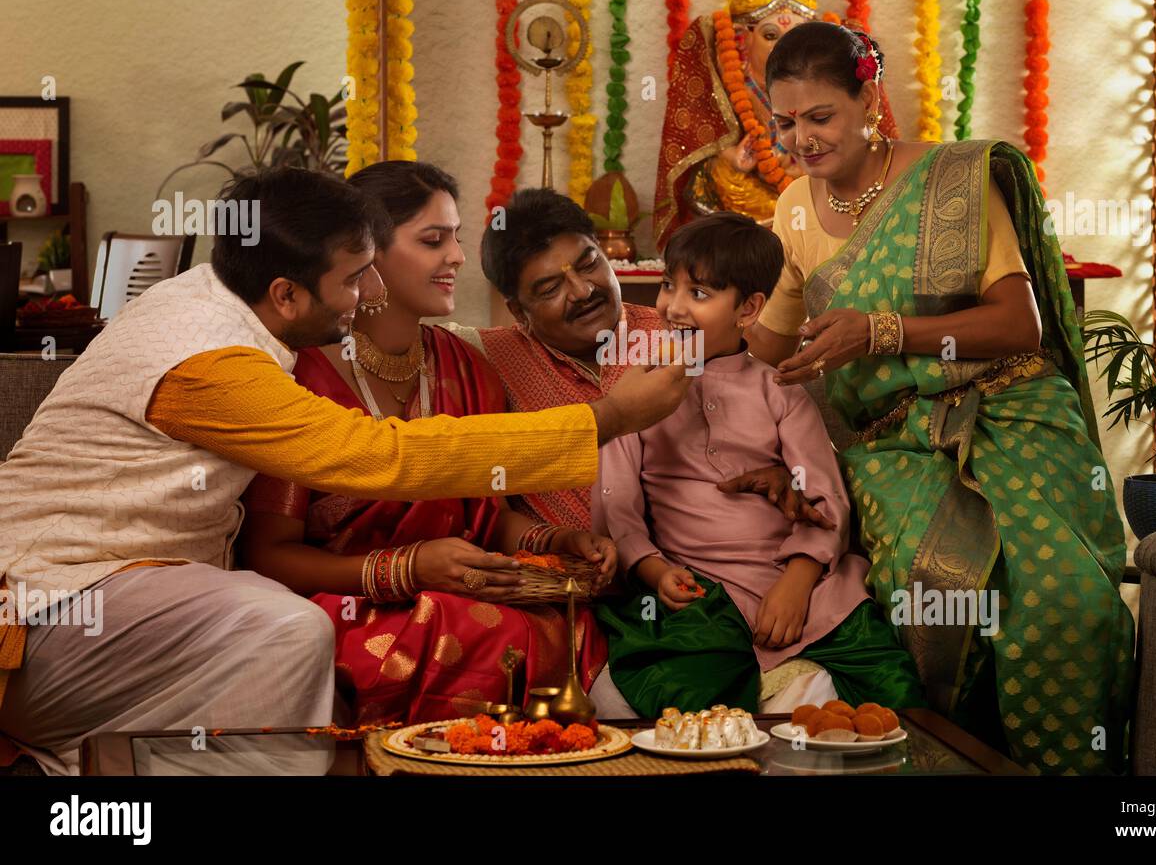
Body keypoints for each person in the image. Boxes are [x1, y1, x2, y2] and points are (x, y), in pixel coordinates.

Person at [0, 167, 688, 774]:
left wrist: (540, 542)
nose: (368, 292)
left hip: (144, 602)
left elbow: (471, 499)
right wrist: (608, 417)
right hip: (49, 611)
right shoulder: (213, 362)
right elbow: (380, 456)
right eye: (354, 278)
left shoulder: (221, 301)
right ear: (287, 294)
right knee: (287, 630)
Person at [746, 21, 1134, 775]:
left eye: (820, 117)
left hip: (1010, 411)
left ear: (870, 97)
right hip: (893, 442)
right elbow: (768, 341)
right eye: (784, 123)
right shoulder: (793, 209)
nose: (802, 141)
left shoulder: (955, 178)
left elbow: (1021, 322)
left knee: (1068, 606)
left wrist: (883, 332)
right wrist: (682, 340)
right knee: (937, 594)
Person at [238, 162, 614, 725]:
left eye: (456, 238)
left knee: (568, 615)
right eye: (434, 240)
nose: (458, 257)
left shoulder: (468, 370)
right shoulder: (302, 379)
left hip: (457, 592)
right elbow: (267, 555)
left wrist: (554, 537)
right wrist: (405, 569)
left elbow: (486, 519)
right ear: (367, 255)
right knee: (471, 627)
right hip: (349, 606)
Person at [594, 212, 925, 716]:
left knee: (893, 692)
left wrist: (797, 580)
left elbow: (825, 496)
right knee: (678, 698)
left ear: (748, 308)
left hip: (799, 581)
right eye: (668, 286)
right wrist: (655, 570)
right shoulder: (637, 389)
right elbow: (617, 506)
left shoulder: (779, 392)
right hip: (694, 587)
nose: (674, 308)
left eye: (699, 294)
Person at [451, 186, 831, 533]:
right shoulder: (483, 361)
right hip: (563, 587)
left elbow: (768, 420)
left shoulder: (688, 334)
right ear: (519, 312)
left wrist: (785, 474)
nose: (583, 291)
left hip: (701, 572)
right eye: (551, 287)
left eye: (589, 264)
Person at [651, 0, 902, 250]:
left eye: (795, 34)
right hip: (753, 198)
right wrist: (732, 161)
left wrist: (809, 161)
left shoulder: (832, 82)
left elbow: (866, 148)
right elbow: (704, 159)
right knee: (718, 178)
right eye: (771, 35)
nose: (785, 46)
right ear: (744, 39)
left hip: (817, 186)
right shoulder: (732, 81)